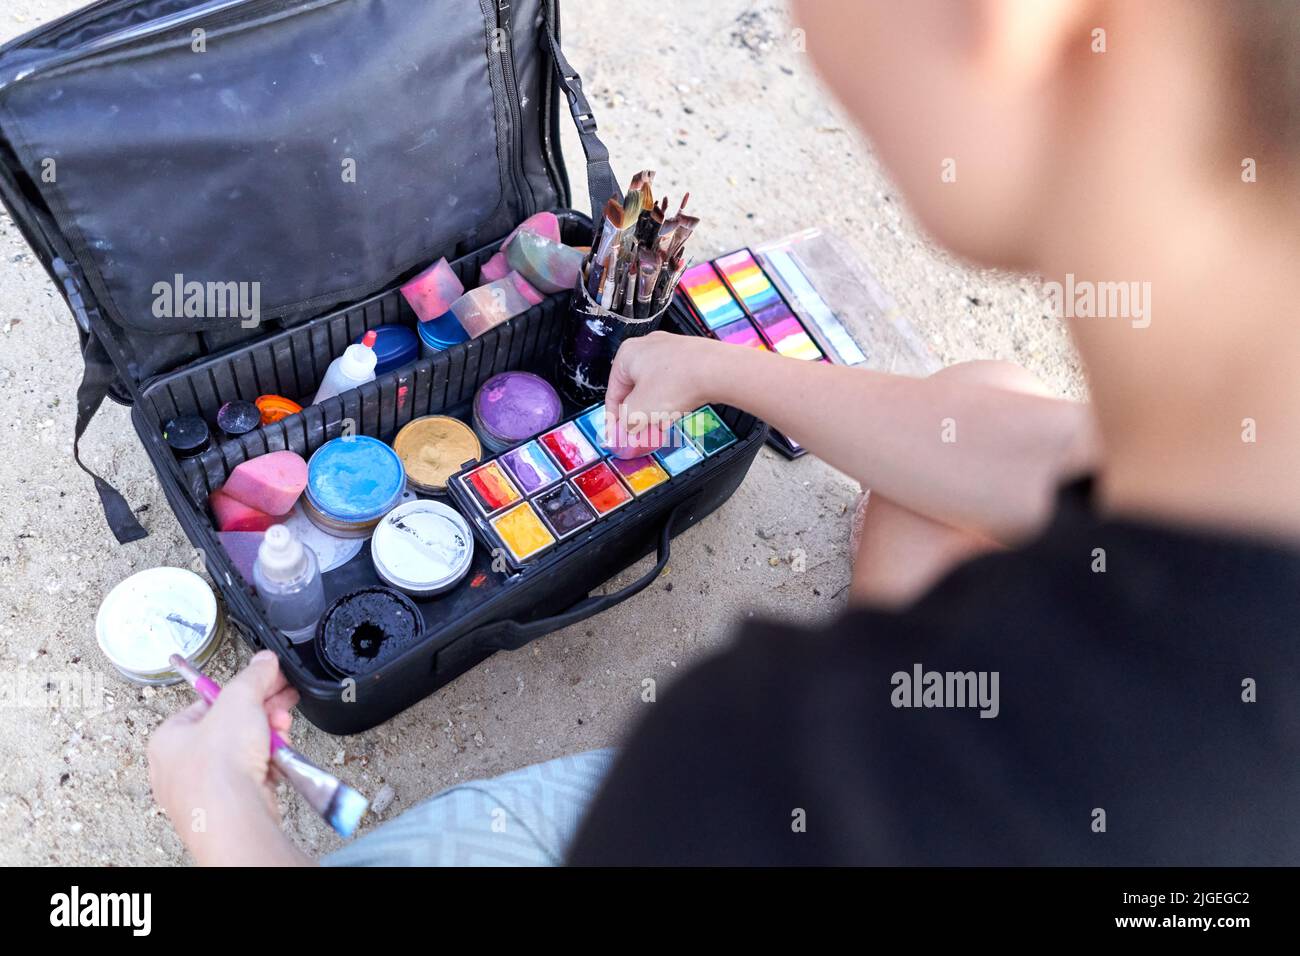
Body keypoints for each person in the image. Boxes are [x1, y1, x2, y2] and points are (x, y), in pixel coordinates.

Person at [149, 0, 1300, 865]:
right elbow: (1042, 460)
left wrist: (226, 817)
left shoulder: (756, 773)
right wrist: (717, 365)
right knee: (971, 407)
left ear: (1004, 24)